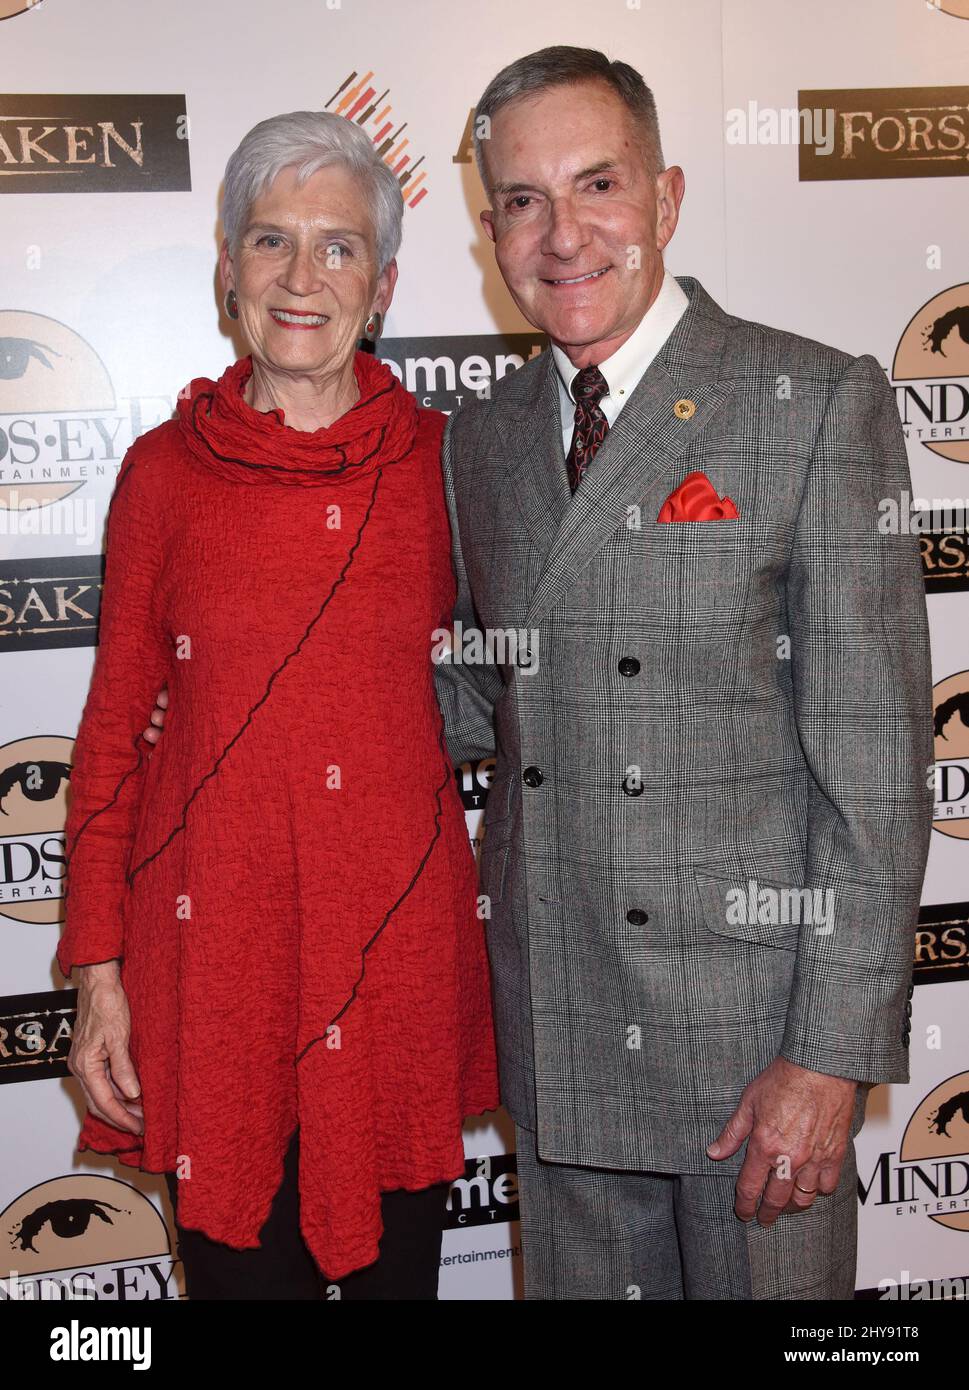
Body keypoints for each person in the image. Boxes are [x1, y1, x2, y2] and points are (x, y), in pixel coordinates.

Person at [431, 47, 934, 1299]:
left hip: (750, 1060)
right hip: (560, 1025)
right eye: (523, 201)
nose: (563, 236)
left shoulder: (810, 400)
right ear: (491, 227)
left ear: (666, 198)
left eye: (597, 185)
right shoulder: (481, 440)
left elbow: (876, 771)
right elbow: (467, 692)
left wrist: (827, 1061)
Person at [57, 109, 498, 1301]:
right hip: (211, 961)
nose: (302, 278)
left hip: (395, 954)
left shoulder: (455, 466)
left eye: (339, 247)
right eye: (270, 241)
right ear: (226, 268)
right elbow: (110, 734)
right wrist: (98, 973)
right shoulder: (162, 472)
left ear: (387, 282)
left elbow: (531, 676)